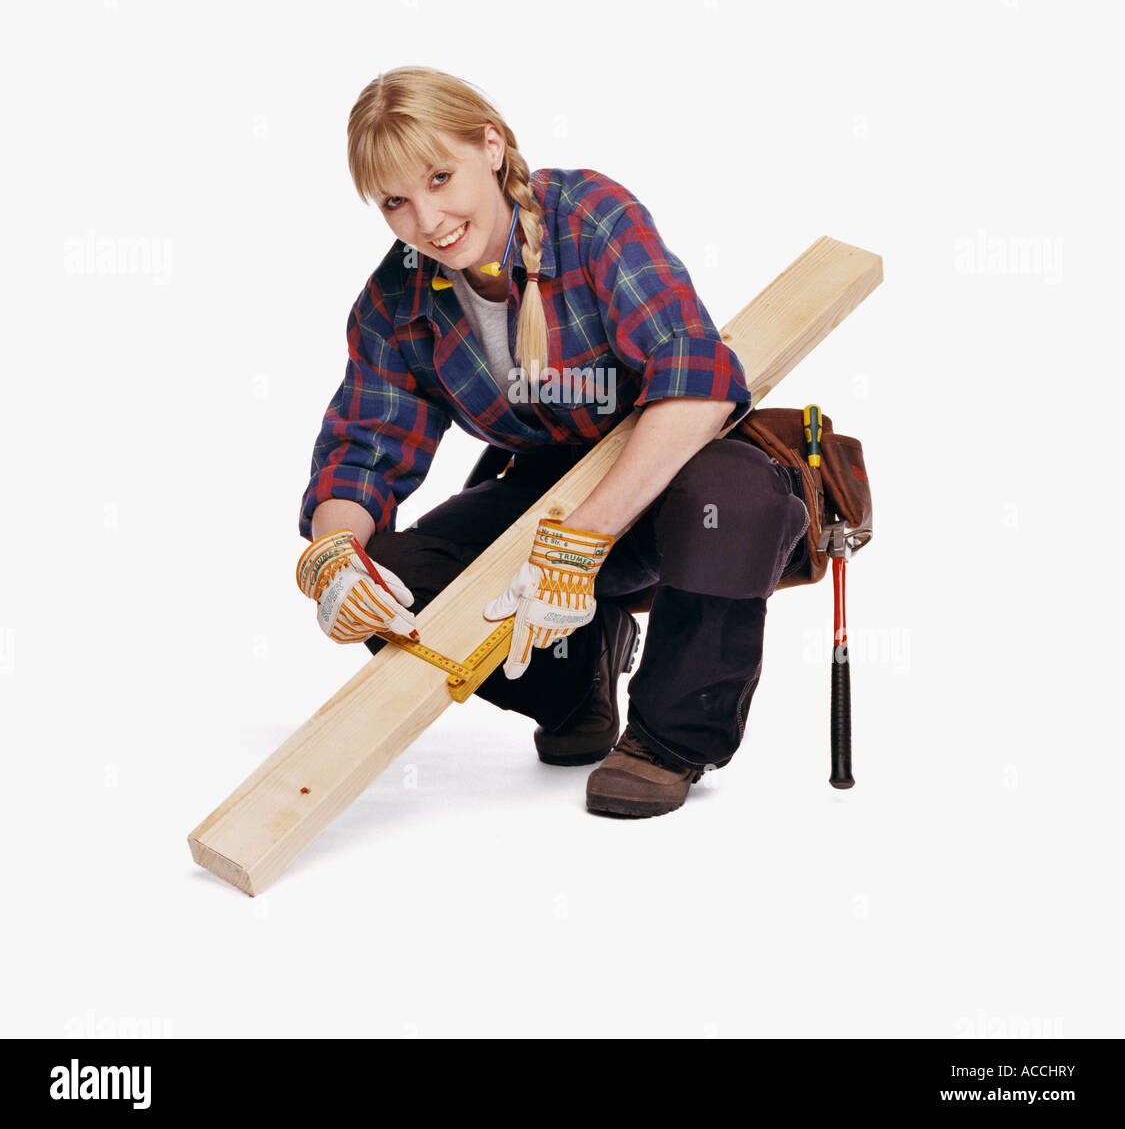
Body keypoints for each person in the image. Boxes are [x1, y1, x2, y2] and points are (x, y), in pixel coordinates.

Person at [296, 66, 810, 818]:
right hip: (549, 488)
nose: (427, 219)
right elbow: (360, 447)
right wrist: (333, 555)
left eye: (441, 177)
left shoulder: (588, 215)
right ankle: (578, 684)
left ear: (492, 146)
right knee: (400, 579)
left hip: (669, 469)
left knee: (730, 497)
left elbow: (694, 381)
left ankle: (667, 742)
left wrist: (579, 543)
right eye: (396, 202)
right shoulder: (394, 298)